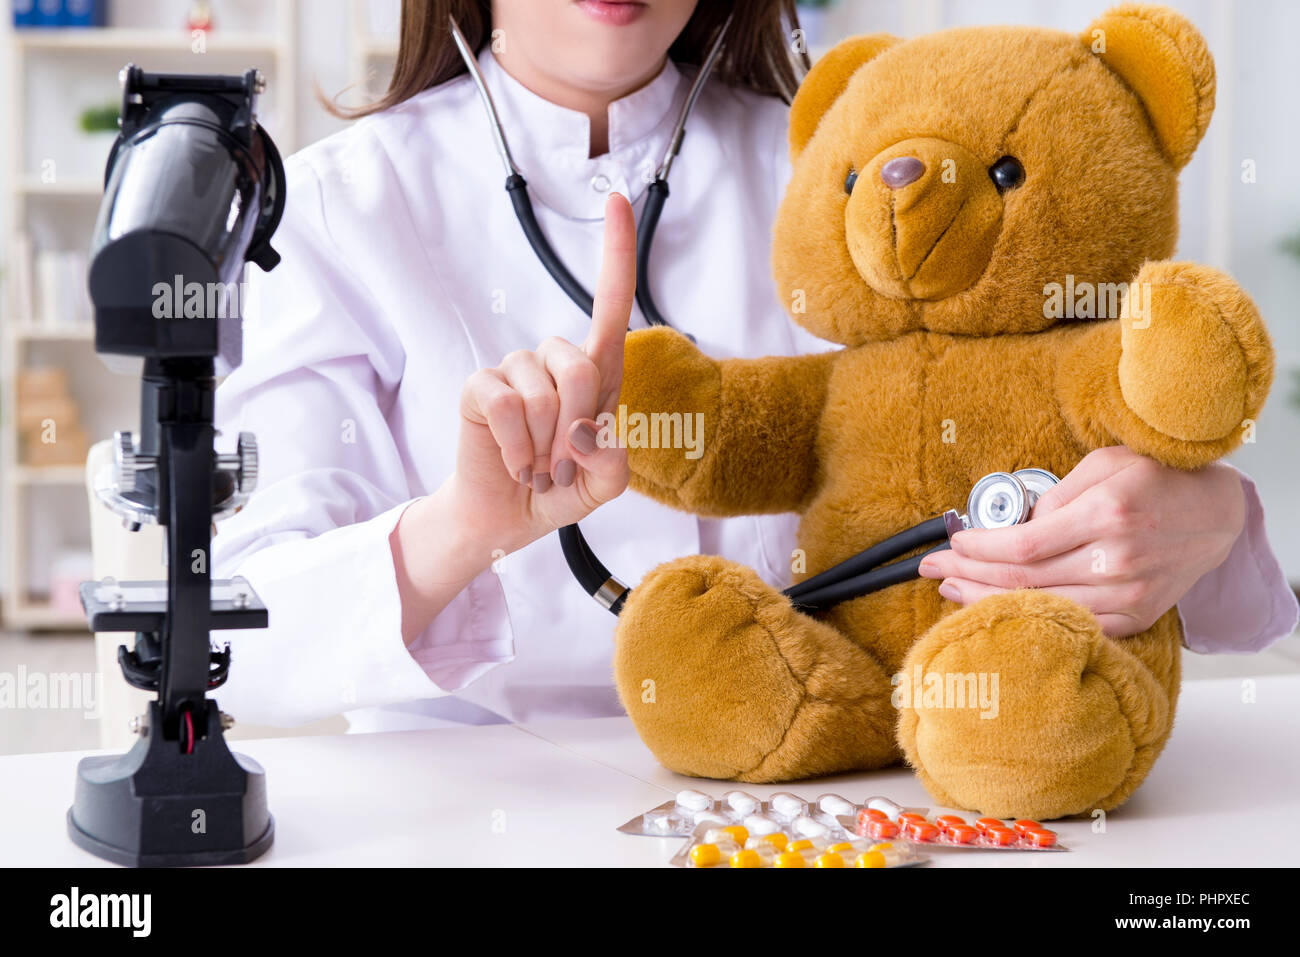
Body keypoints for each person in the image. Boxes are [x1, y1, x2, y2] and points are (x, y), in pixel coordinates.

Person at [212, 0, 1296, 733]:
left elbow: (1202, 574)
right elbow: (234, 634)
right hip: (462, 825)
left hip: (824, 792)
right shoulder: (331, 210)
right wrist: (464, 526)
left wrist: (1201, 517)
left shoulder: (866, 176)